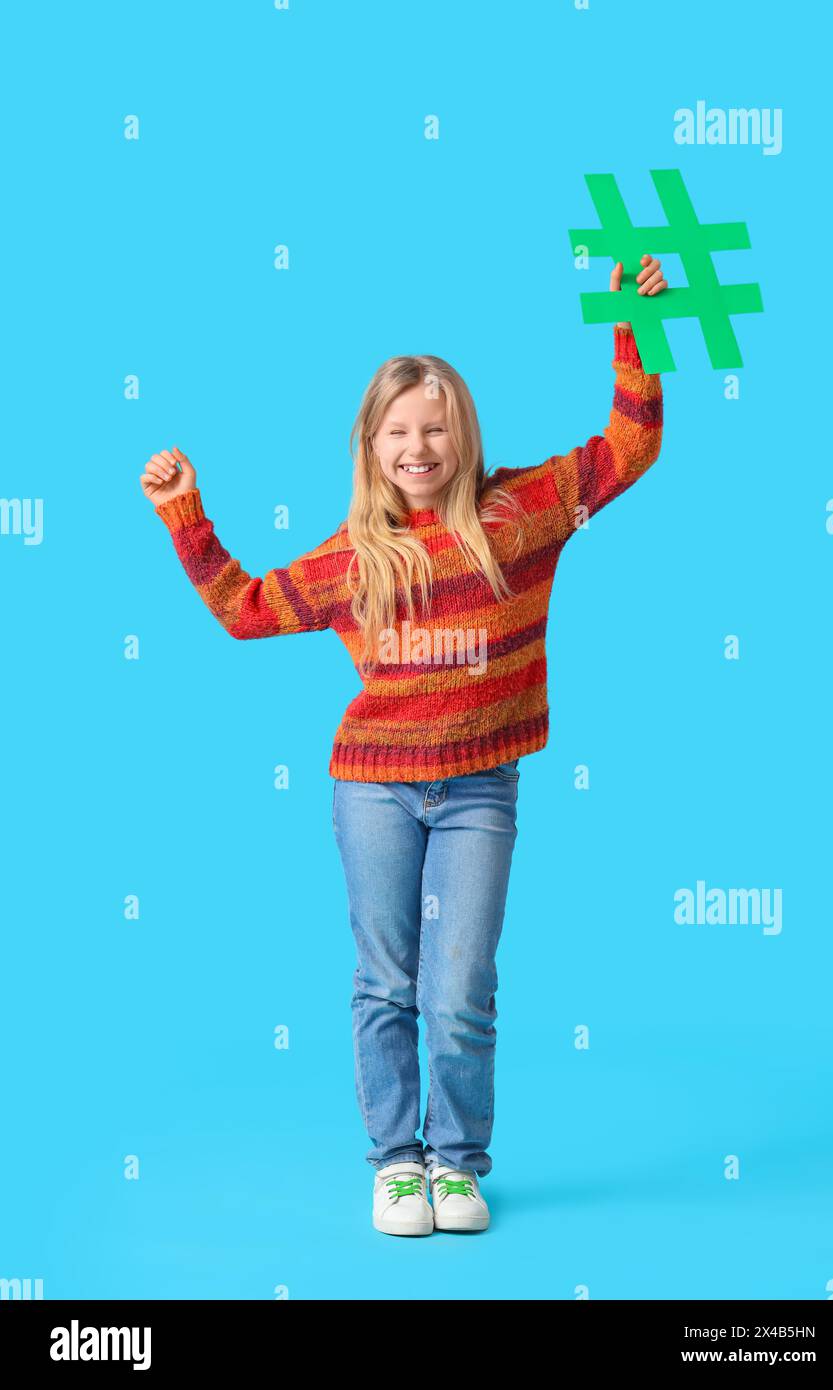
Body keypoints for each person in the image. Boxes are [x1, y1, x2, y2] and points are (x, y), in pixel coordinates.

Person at [140, 255, 667, 1236]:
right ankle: (395, 1162)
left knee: (459, 981)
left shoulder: (522, 513)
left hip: (479, 790)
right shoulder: (353, 558)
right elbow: (243, 609)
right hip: (373, 789)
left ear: (463, 434)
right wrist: (186, 516)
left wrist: (632, 332)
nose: (417, 446)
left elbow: (629, 446)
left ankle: (456, 1163)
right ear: (371, 447)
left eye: (435, 428)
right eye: (398, 432)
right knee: (384, 978)